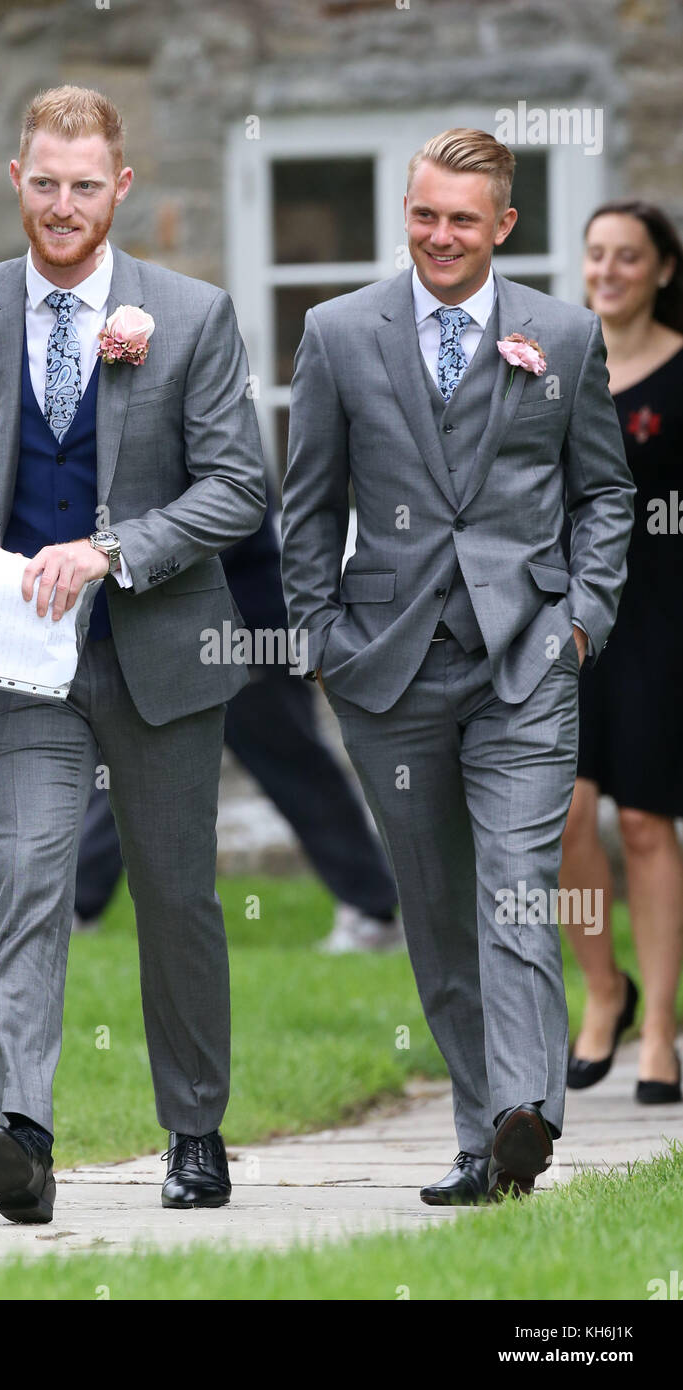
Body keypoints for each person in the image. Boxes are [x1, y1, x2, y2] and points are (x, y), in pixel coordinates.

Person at [0, 85, 266, 1223]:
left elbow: (237, 487)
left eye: (85, 185)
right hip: (17, 657)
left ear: (121, 188)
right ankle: (25, 1135)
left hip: (157, 655)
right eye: (44, 184)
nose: (63, 206)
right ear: (16, 181)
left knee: (175, 897)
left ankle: (195, 1130)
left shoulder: (192, 316)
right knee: (27, 876)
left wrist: (113, 550)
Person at [280, 128, 635, 1206]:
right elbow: (306, 506)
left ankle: (525, 1111)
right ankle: (481, 1142)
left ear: (503, 228)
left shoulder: (561, 336)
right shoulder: (338, 334)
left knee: (515, 893)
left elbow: (604, 492)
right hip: (384, 671)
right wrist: (320, 639)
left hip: (524, 661)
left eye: (462, 221)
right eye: (424, 215)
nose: (440, 236)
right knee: (438, 919)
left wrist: (579, 616)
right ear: (407, 209)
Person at [73, 493, 403, 951]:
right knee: (135, 761)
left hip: (244, 631)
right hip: (175, 628)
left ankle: (372, 909)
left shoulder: (218, 432)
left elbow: (219, 523)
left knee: (293, 766)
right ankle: (74, 901)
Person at [561, 200, 683, 1104]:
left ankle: (659, 1030)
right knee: (564, 815)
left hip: (663, 618)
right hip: (570, 614)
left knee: (645, 822)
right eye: (595, 254)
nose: (607, 271)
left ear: (663, 271)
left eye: (627, 257)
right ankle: (603, 991)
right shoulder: (556, 361)